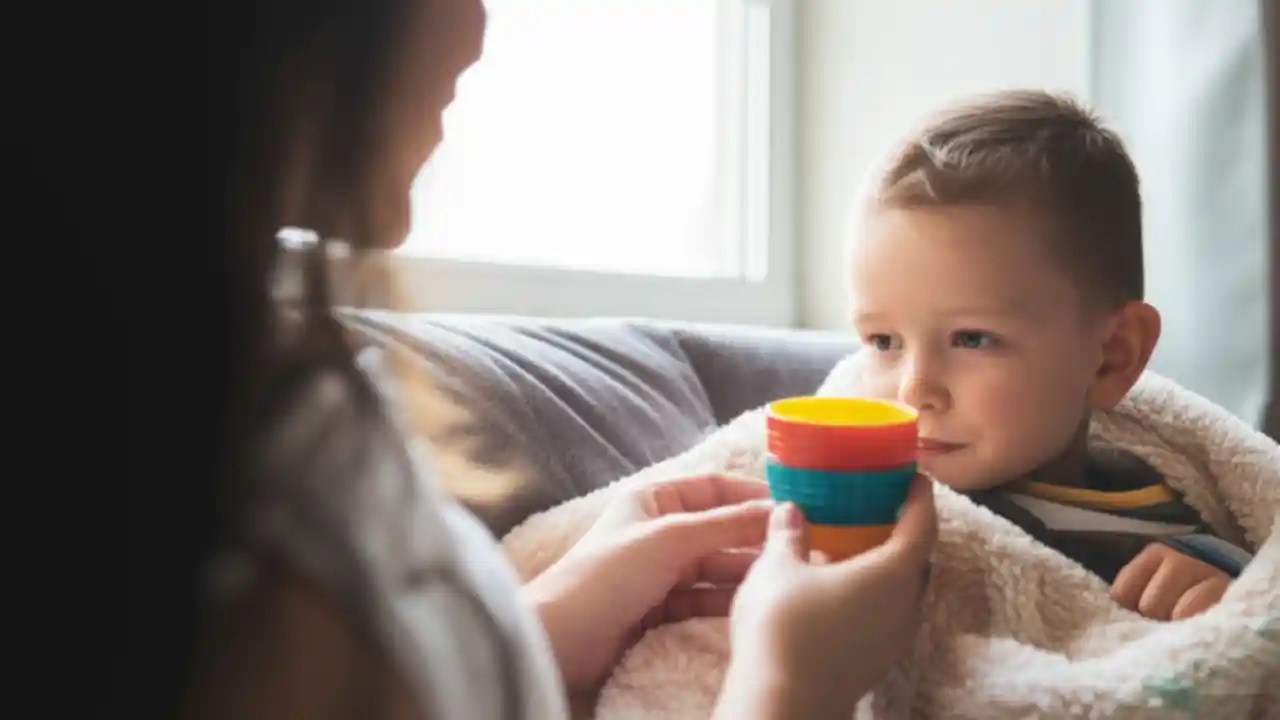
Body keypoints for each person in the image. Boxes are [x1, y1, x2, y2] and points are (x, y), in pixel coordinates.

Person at [121, 1, 937, 717]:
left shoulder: (278, 397)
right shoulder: (235, 533)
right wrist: (793, 689)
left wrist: (535, 630)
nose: (477, 29)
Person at [842, 89, 1251, 623]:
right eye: (883, 342)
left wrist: (1225, 585)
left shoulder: (1160, 518)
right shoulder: (845, 507)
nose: (913, 389)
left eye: (972, 339)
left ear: (1111, 357)